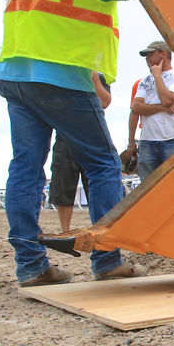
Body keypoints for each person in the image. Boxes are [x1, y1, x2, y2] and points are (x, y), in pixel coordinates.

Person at [0, 0, 147, 286]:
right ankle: (107, 259)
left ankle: (31, 266)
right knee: (102, 165)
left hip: (15, 71)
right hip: (61, 73)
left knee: (26, 168)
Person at [48, 71, 111, 231]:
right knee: (63, 184)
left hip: (92, 135)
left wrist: (94, 78)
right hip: (65, 135)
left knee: (96, 186)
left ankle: (99, 228)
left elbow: (104, 102)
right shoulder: (61, 77)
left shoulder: (98, 76)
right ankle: (65, 230)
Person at [130, 41, 174, 183]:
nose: (147, 58)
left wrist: (157, 76)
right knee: (147, 188)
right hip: (147, 141)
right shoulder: (144, 81)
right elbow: (136, 107)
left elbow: (168, 100)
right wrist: (163, 108)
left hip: (173, 140)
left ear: (163, 53)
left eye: (150, 54)